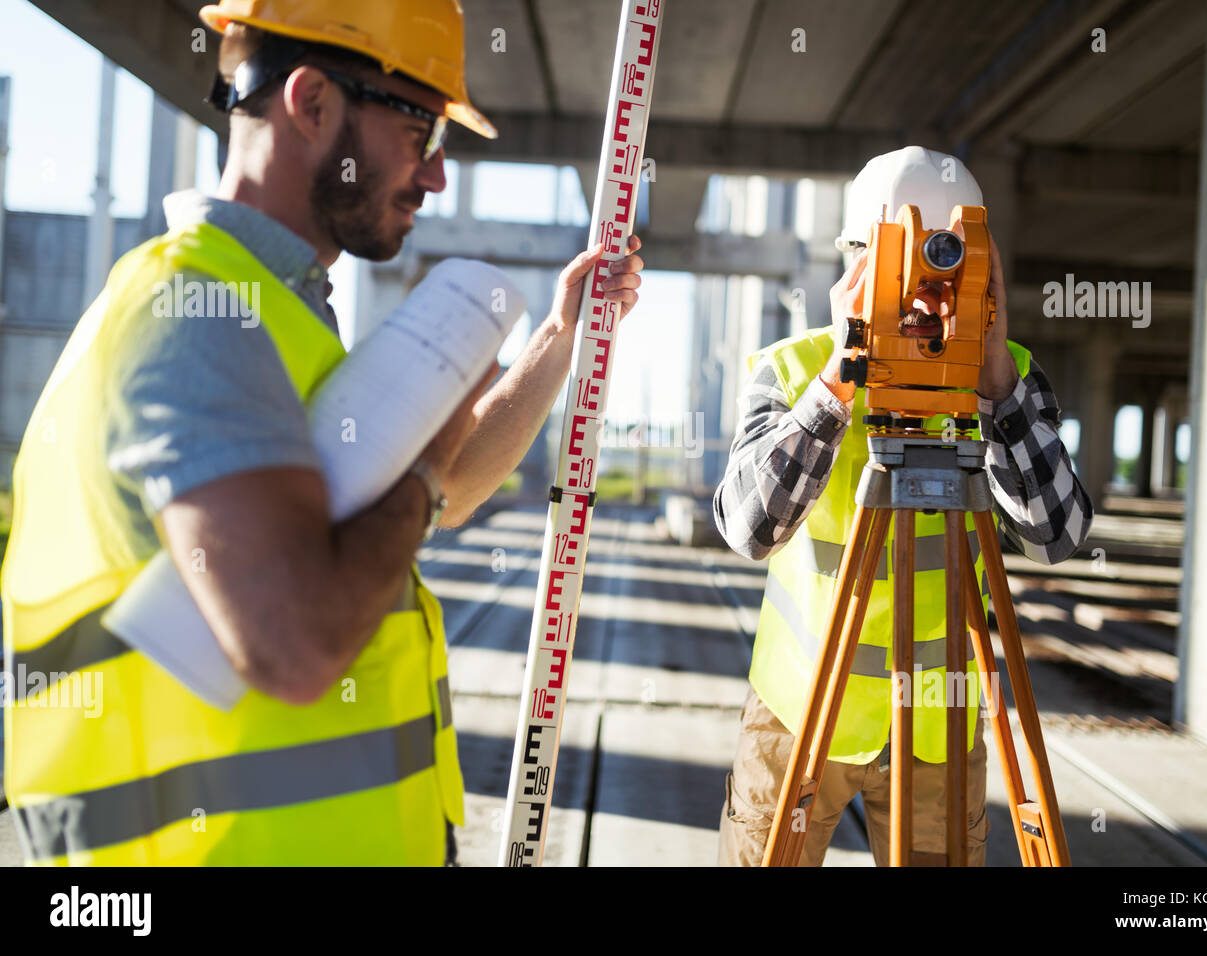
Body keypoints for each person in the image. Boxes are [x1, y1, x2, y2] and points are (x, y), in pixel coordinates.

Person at [0, 0, 643, 865]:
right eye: (421, 132)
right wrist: (418, 471)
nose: (437, 175)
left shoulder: (276, 314)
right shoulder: (195, 313)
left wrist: (561, 340)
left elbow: (442, 492)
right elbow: (294, 642)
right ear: (310, 103)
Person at [713, 146, 1091, 866]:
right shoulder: (793, 371)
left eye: (945, 260)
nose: (925, 292)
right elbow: (748, 528)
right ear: (855, 262)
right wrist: (837, 386)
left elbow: (1058, 535)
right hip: (799, 716)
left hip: (937, 728)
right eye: (903, 259)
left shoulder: (1003, 375)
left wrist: (997, 390)